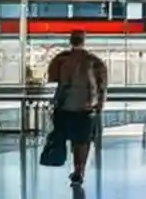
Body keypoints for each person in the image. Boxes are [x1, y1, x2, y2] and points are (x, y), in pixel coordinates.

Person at [46, 30, 107, 185]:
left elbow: (52, 80)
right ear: (84, 41)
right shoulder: (94, 61)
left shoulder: (60, 59)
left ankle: (75, 168)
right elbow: (102, 85)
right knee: (83, 141)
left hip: (65, 106)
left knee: (68, 138)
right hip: (86, 107)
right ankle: (80, 170)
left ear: (70, 41)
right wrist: (100, 104)